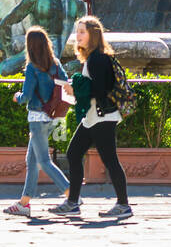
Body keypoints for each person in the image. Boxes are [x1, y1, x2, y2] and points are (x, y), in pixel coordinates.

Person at [54, 15, 131, 221]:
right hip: (94, 117)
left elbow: (99, 89)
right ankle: (73, 202)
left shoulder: (97, 59)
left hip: (102, 117)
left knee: (110, 160)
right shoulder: (95, 57)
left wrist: (75, 89)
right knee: (73, 153)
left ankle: (123, 204)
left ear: (93, 35)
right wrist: (78, 89)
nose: (77, 36)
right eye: (77, 31)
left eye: (82, 32)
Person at [3, 26, 70, 219]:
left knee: (44, 161)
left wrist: (16, 96)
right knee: (31, 161)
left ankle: (71, 194)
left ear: (30, 46)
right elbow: (66, 85)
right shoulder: (56, 64)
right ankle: (24, 203)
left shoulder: (32, 67)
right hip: (51, 116)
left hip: (36, 118)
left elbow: (26, 96)